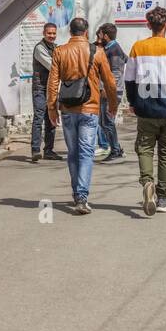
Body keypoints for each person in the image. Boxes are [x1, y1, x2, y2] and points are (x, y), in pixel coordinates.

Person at [124, 6, 166, 215]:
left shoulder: (137, 48)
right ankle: (162, 197)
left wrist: (133, 102)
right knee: (165, 154)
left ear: (148, 25)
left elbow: (129, 79)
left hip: (145, 107)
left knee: (144, 148)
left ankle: (147, 183)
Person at [46, 17, 117, 215]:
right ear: (86, 32)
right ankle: (82, 196)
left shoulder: (60, 51)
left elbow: (52, 83)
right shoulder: (98, 52)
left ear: (70, 32)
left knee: (73, 152)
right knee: (86, 152)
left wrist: (52, 109)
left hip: (67, 109)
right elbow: (110, 83)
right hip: (89, 109)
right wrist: (113, 105)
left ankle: (77, 193)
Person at [30, 23, 63, 162]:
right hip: (40, 88)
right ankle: (35, 150)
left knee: (51, 118)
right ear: (44, 33)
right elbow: (52, 66)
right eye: (49, 33)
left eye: (54, 33)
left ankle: (49, 150)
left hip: (51, 88)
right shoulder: (39, 48)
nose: (52, 36)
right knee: (39, 117)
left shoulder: (56, 47)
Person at [95, 23, 126, 160]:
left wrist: (108, 89)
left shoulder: (114, 49)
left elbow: (116, 73)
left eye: (100, 34)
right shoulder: (111, 48)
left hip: (111, 92)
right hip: (108, 90)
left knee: (107, 122)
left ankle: (115, 151)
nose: (99, 36)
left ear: (106, 36)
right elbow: (126, 59)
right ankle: (116, 148)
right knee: (104, 122)